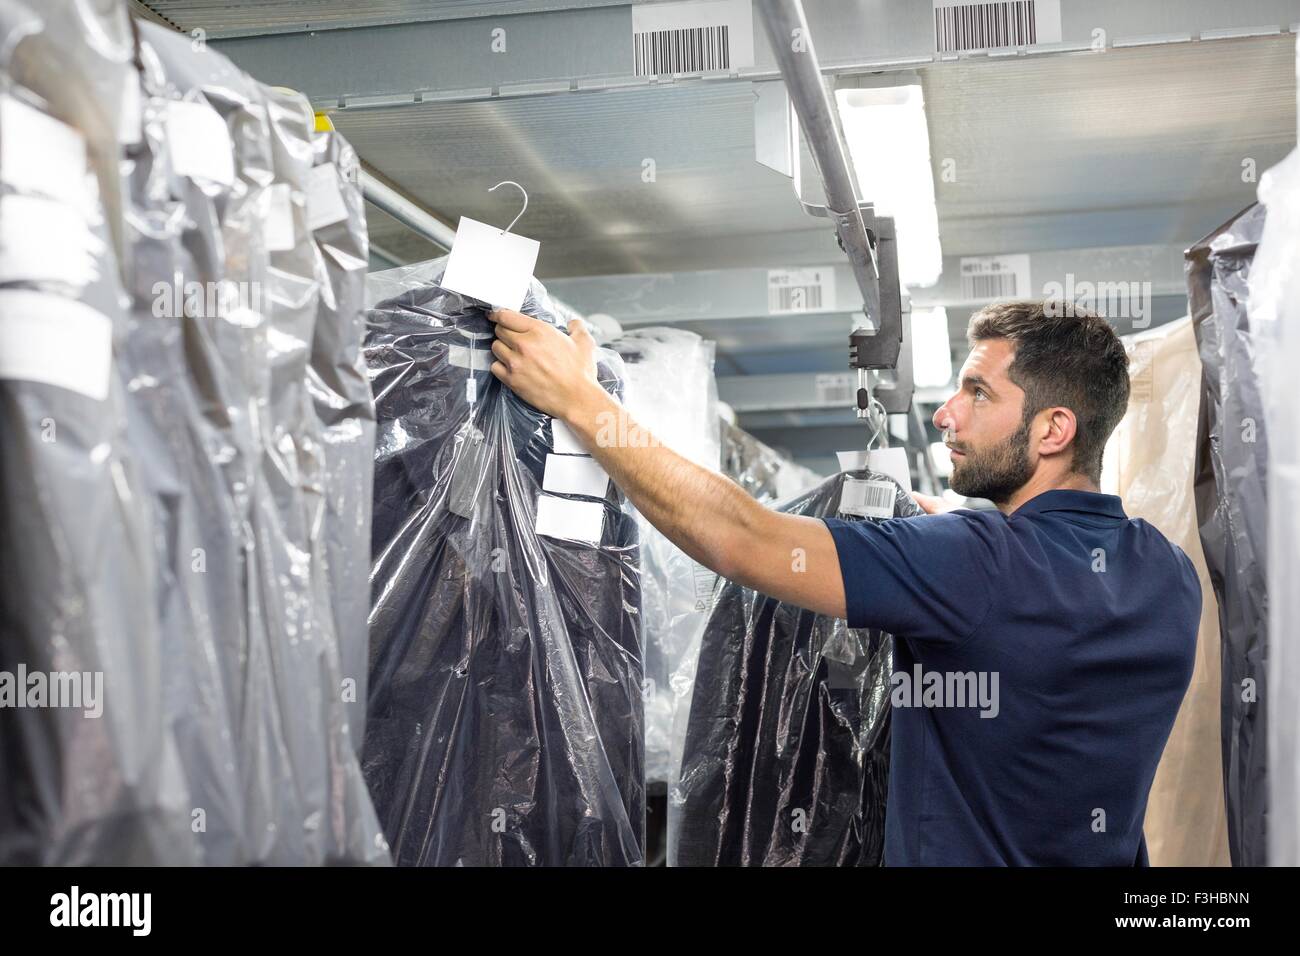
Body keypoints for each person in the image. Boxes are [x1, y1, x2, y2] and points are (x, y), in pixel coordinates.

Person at [486, 298, 1199, 866]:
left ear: (1053, 430)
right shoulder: (1167, 574)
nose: (947, 415)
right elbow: (1030, 608)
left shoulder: (975, 560)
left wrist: (582, 401)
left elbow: (740, 538)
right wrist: (933, 526)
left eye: (978, 393)